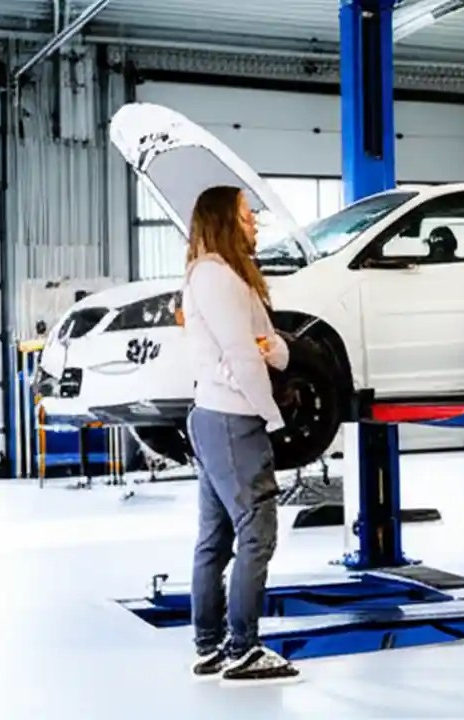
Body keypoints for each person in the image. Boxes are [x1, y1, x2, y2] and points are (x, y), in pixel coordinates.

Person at [181, 185, 300, 684]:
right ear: (224, 221)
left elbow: (266, 346)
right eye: (246, 215)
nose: (254, 223)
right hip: (232, 419)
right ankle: (243, 648)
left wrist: (273, 349)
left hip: (212, 415)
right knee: (256, 532)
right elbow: (243, 355)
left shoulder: (213, 275)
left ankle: (210, 646)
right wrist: (272, 416)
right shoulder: (219, 277)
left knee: (216, 538)